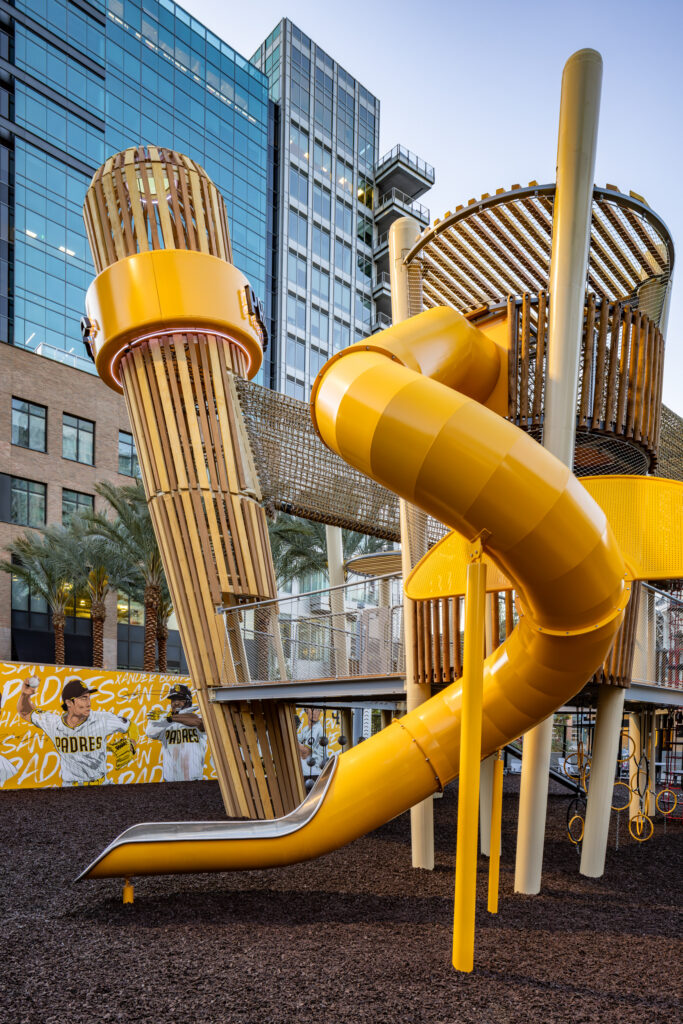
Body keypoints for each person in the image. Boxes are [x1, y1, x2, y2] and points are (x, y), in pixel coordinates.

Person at [17, 677, 135, 786]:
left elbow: (131, 726)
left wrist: (132, 744)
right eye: (83, 699)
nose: (88, 703)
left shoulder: (103, 719)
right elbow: (25, 712)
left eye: (89, 698)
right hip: (69, 787)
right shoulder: (53, 723)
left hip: (102, 784)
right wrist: (24, 695)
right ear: (69, 702)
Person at [145, 683, 207, 782]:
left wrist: (171, 717)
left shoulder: (198, 715)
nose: (176, 703)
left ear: (188, 701)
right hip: (170, 779)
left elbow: (198, 722)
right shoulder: (164, 719)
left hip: (194, 779)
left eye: (180, 699)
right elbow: (149, 732)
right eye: (173, 700)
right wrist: (167, 718)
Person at [297, 706, 325, 778]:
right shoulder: (306, 729)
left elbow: (305, 753)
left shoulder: (318, 729)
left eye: (318, 710)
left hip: (314, 773)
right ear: (306, 710)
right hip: (307, 773)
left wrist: (292, 739)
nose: (315, 712)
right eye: (313, 709)